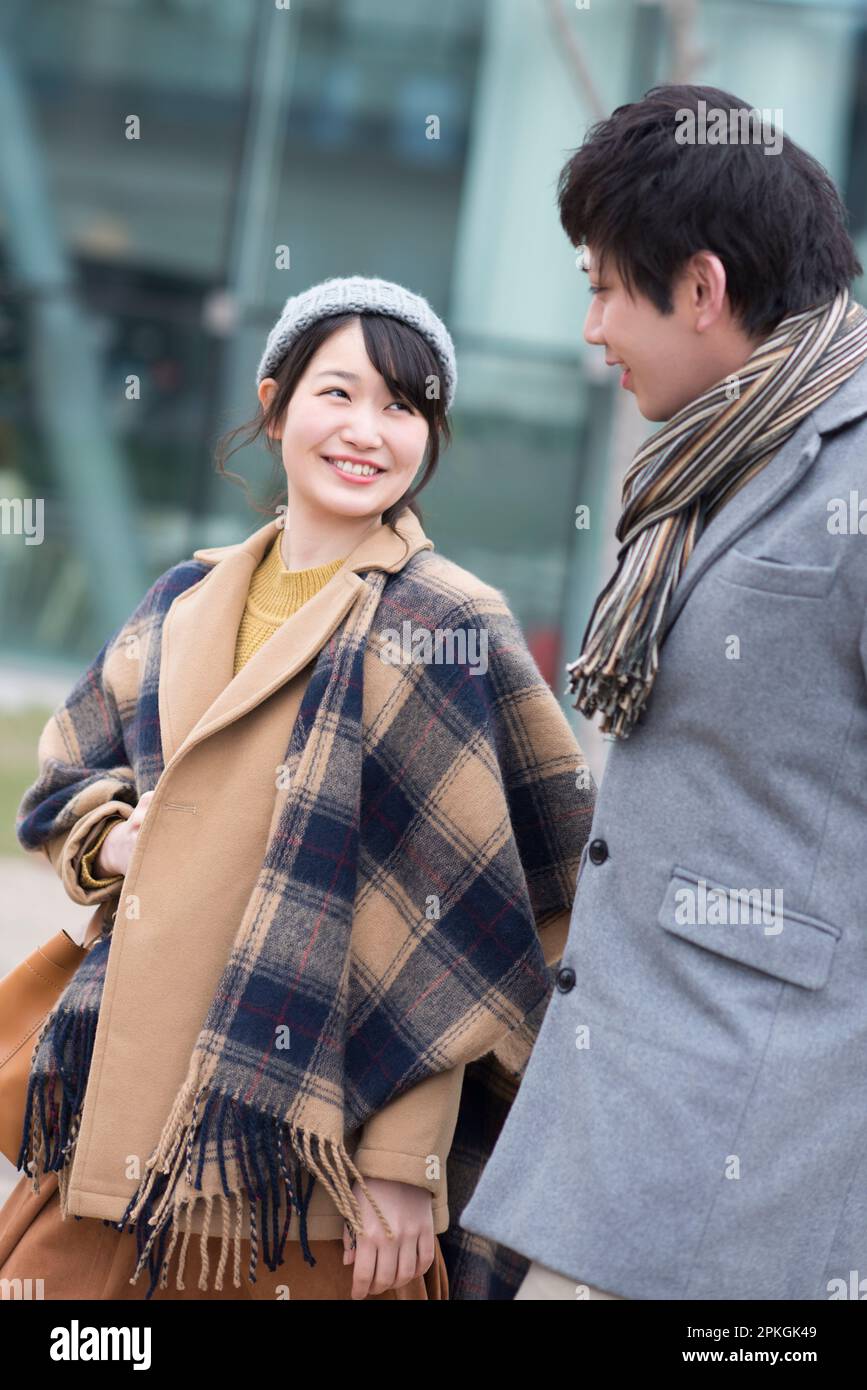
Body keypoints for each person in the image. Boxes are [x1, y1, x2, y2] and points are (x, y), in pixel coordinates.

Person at [0, 275, 595, 1301]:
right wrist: (114, 841)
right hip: (122, 1118)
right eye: (339, 394)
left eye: (405, 406)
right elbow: (65, 779)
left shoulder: (444, 620)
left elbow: (472, 928)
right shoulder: (187, 595)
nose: (370, 429)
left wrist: (405, 1163)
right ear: (274, 405)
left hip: (315, 1160)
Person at [459, 84, 867, 1301]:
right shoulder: (709, 464)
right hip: (627, 1135)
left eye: (603, 285)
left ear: (701, 288)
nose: (590, 325)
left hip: (765, 1175)